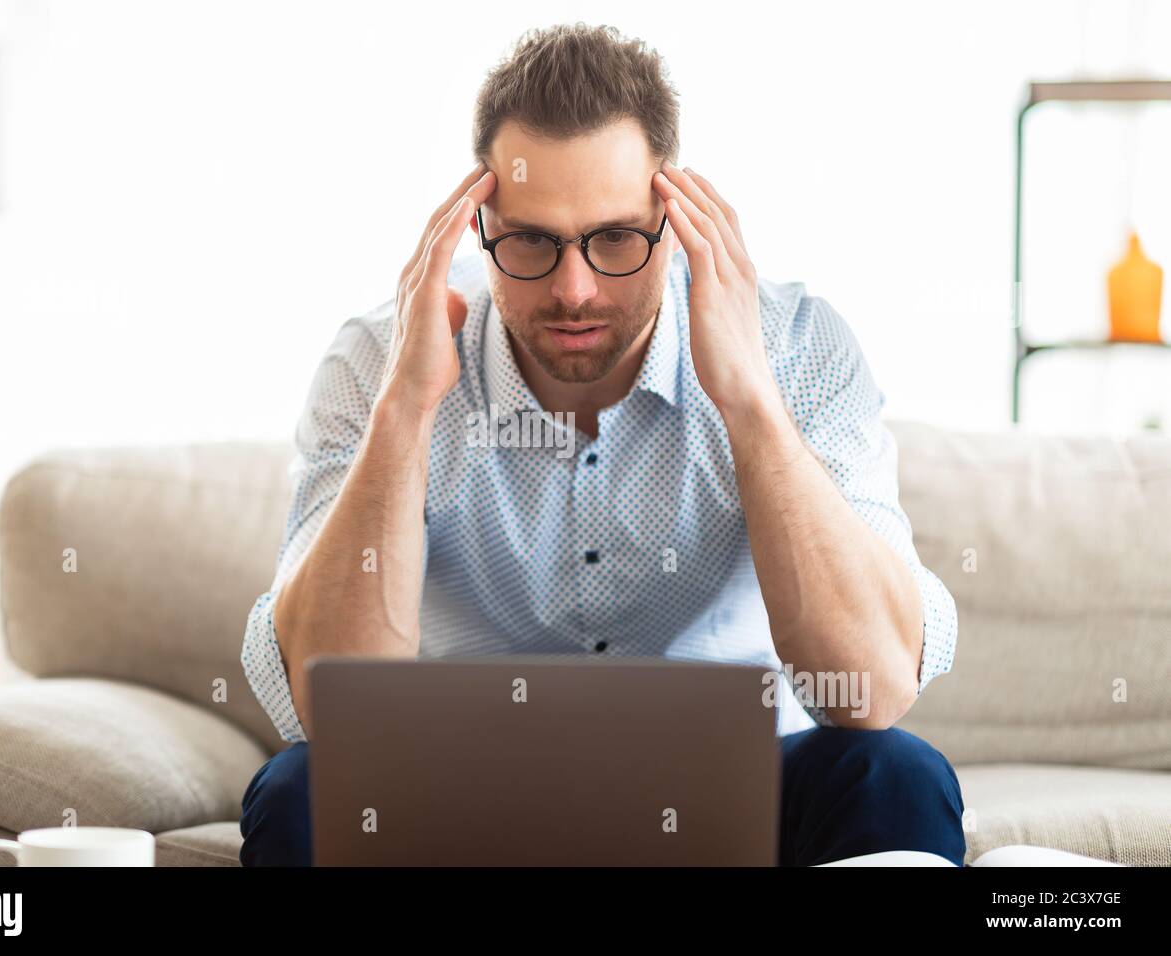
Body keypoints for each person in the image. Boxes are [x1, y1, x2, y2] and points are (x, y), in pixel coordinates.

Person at [238, 22, 965, 867]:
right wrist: (406, 409)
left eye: (616, 238)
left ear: (673, 216)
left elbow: (873, 687)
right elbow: (333, 706)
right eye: (532, 243)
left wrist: (751, 405)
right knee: (301, 790)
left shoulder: (797, 347)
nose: (574, 290)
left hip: (739, 795)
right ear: (477, 227)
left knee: (895, 775)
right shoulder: (380, 360)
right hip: (460, 793)